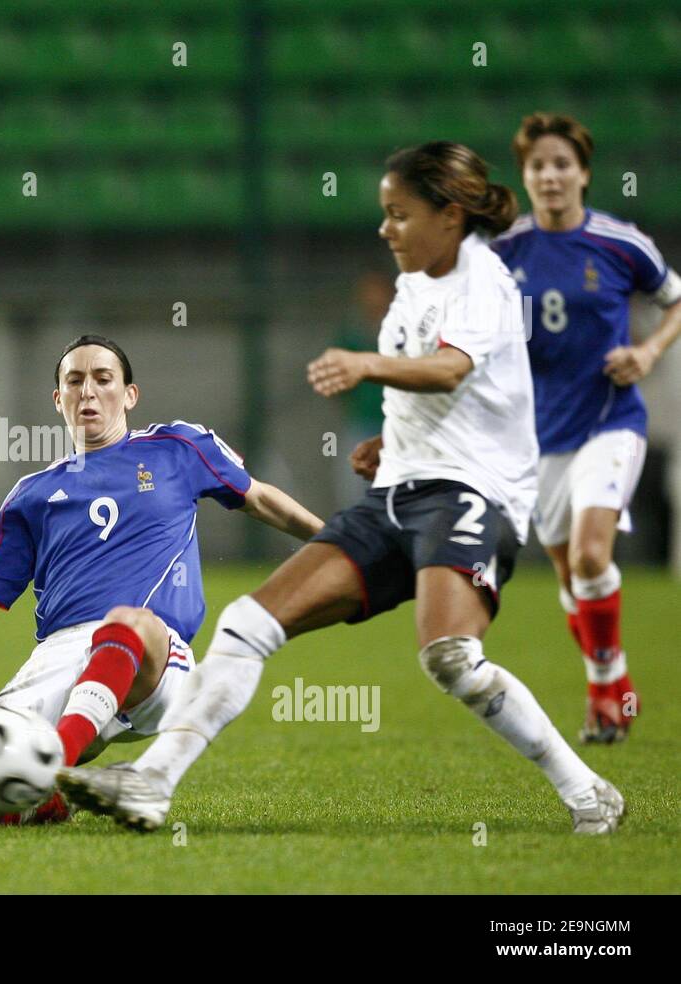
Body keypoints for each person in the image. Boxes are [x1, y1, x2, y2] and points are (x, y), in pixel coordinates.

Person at [59, 142, 625, 835]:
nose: (385, 229)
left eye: (398, 214)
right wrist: (392, 443)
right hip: (400, 495)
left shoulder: (484, 280)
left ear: (449, 215)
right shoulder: (415, 284)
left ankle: (587, 790)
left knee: (449, 657)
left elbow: (451, 369)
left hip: (471, 496)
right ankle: (150, 783)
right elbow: (451, 392)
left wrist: (363, 363)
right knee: (246, 624)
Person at [0, 335, 324, 824]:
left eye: (103, 378)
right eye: (75, 381)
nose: (89, 391)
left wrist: (335, 540)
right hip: (58, 656)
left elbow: (257, 496)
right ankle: (49, 800)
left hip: (152, 652)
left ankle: (54, 765)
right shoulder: (32, 495)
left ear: (130, 394)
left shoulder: (178, 448)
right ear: (58, 399)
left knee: (128, 622)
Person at [491, 112, 681, 743]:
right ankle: (614, 681)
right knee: (572, 582)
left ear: (584, 173)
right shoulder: (505, 252)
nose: (550, 175)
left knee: (592, 554)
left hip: (610, 423)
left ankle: (606, 693)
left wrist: (648, 354)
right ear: (526, 175)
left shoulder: (621, 243)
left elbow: (675, 299)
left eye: (561, 164)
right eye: (538, 165)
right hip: (538, 440)